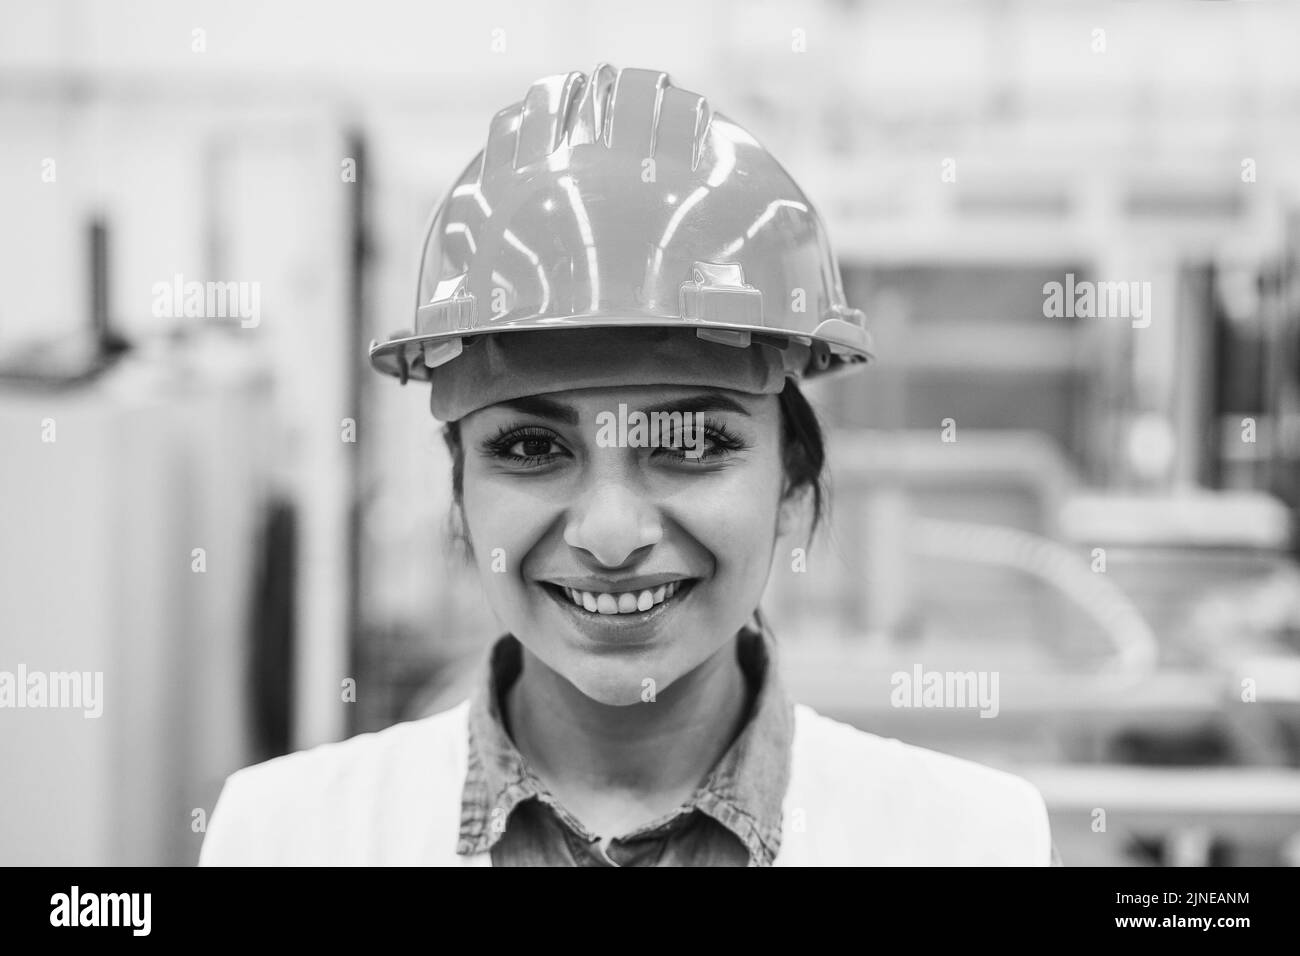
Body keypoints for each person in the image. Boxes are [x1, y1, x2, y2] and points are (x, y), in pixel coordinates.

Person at [200, 64, 1055, 866]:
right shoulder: (285, 837)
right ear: (458, 487)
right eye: (533, 449)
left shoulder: (970, 842)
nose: (610, 536)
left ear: (791, 486)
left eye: (689, 444)